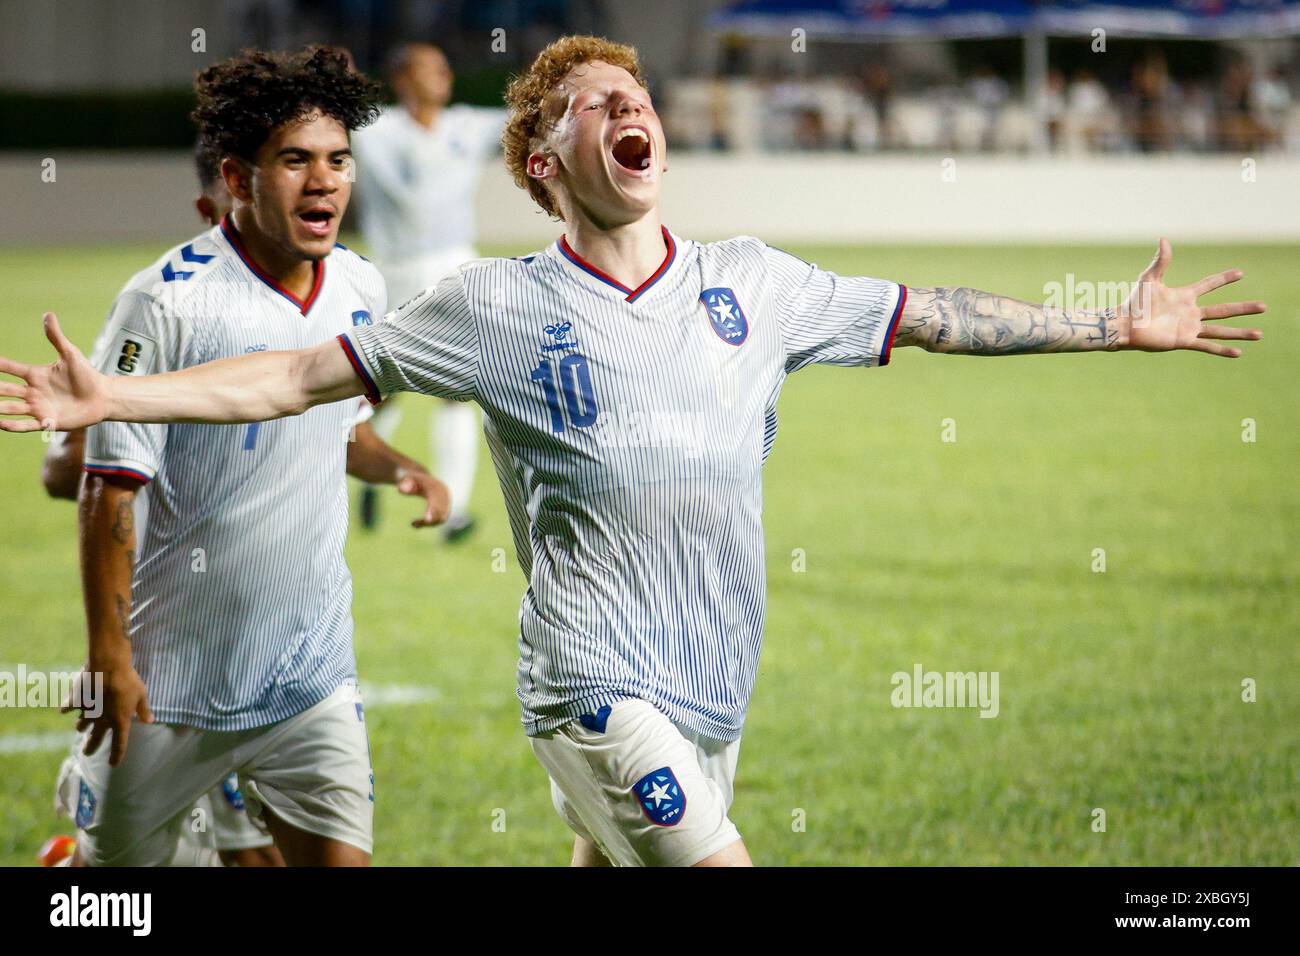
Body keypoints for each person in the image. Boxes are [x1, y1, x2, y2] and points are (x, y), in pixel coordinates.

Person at [0, 36, 1265, 867]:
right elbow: (288, 374)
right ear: (548, 166)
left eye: (635, 96)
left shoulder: (755, 284)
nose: (626, 108)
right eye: (589, 105)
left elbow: (930, 315)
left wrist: (1113, 322)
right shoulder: (489, 306)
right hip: (592, 685)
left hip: (712, 685)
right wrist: (112, 391)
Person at [16, 45, 450, 867]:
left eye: (337, 160)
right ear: (239, 178)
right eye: (295, 161)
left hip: (309, 672)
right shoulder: (165, 300)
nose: (324, 181)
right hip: (171, 682)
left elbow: (334, 422)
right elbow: (106, 490)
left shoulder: (363, 287)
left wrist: (399, 467)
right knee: (108, 895)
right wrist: (108, 656)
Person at [40, 143, 283, 867]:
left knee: (248, 851)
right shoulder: (161, 314)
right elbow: (62, 473)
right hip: (168, 638)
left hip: (264, 640)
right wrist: (128, 421)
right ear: (214, 209)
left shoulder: (303, 313)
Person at [351, 43, 506, 540]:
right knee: (384, 388)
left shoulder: (466, 124)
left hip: (454, 266)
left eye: (444, 67)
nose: (442, 76)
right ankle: (371, 476)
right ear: (400, 79)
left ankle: (452, 511)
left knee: (460, 391)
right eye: (428, 68)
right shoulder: (375, 129)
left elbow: (534, 112)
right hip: (392, 271)